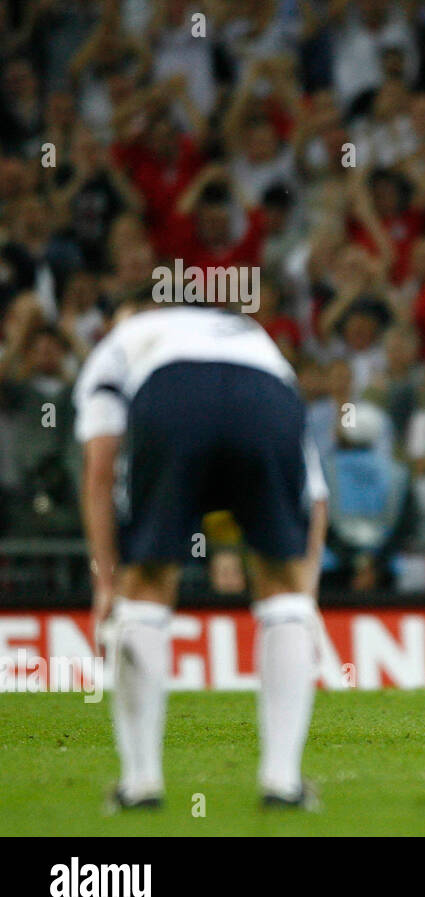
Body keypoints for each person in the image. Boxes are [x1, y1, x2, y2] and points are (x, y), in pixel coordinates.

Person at [75, 300, 328, 809]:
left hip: (171, 396)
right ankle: (282, 784)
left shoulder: (118, 345)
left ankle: (140, 785)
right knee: (281, 589)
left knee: (147, 586)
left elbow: (99, 473)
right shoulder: (255, 341)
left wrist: (107, 582)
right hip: (267, 399)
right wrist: (307, 596)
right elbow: (316, 494)